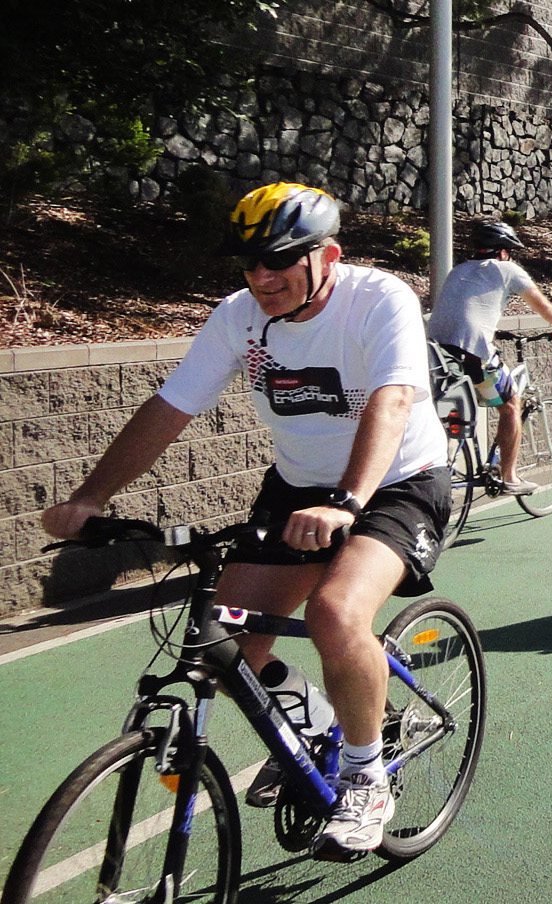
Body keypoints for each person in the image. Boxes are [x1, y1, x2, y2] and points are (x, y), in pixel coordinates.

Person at [40, 182, 450, 858]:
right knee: (226, 646)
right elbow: (172, 408)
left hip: (397, 483)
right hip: (296, 489)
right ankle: (322, 722)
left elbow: (395, 398)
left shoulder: (379, 299)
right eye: (250, 262)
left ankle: (367, 776)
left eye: (280, 259)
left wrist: (347, 501)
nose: (262, 276)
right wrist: (92, 496)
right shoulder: (238, 316)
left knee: (336, 613)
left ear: (328, 255)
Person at [427, 220, 552, 493]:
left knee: (454, 412)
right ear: (503, 251)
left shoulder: (458, 270)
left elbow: (466, 310)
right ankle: (509, 477)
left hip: (436, 352)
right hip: (472, 352)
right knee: (510, 404)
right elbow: (539, 303)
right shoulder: (507, 269)